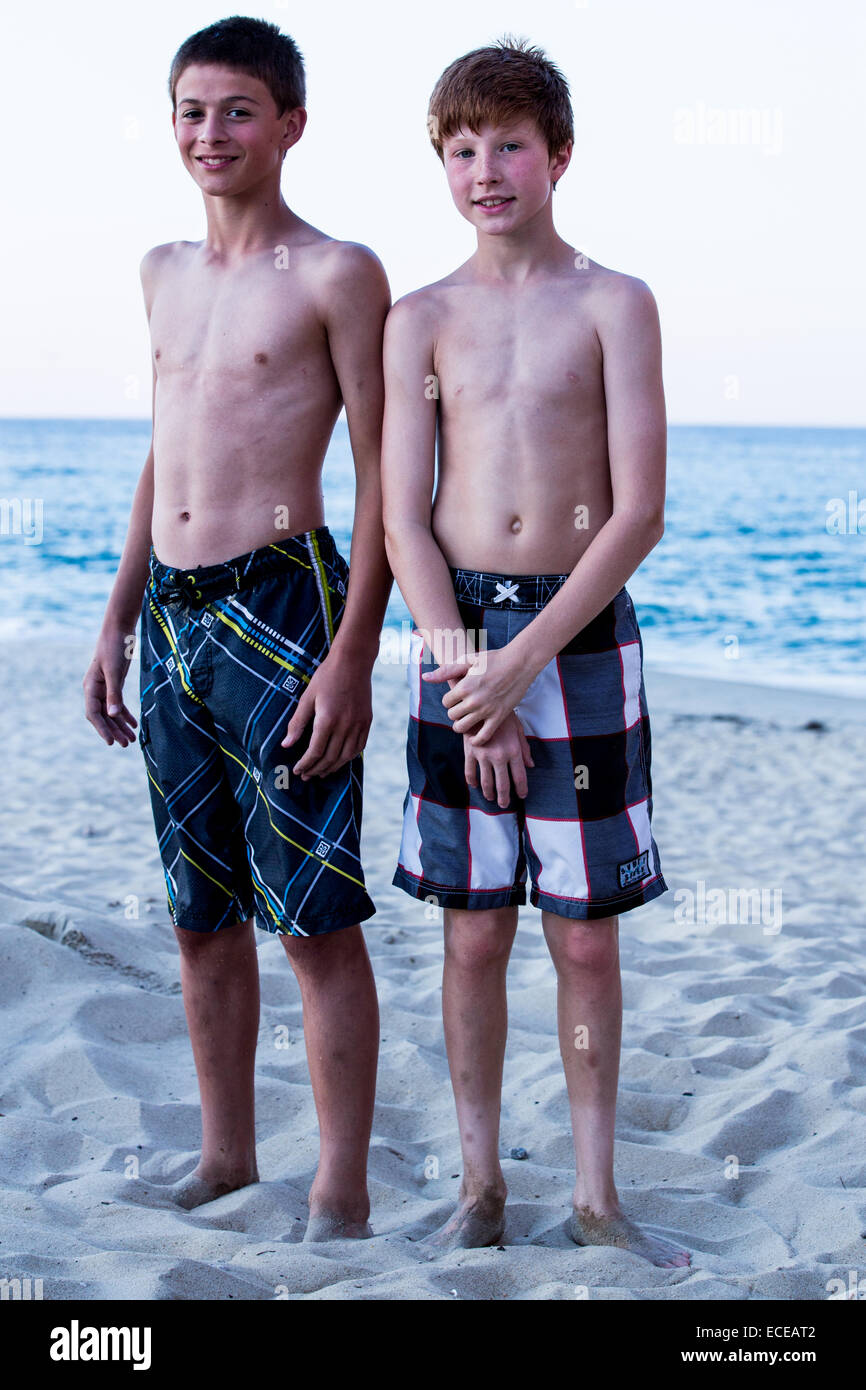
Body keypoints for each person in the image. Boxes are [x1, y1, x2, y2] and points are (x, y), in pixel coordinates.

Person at [83, 16, 392, 1240]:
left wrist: (356, 652)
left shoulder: (335, 271)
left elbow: (379, 473)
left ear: (291, 126)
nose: (211, 134)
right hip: (169, 605)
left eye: (238, 112)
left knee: (313, 916)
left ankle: (341, 1185)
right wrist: (112, 619)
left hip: (281, 601)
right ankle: (224, 1155)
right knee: (198, 910)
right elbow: (165, 448)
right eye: (192, 112)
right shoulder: (161, 269)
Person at [382, 37, 688, 1267]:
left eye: (508, 143)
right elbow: (403, 513)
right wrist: (472, 674)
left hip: (577, 635)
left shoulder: (614, 302)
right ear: (442, 166)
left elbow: (637, 510)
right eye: (461, 148)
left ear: (557, 155)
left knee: (583, 933)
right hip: (457, 636)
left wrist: (526, 668)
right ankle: (476, 1183)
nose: (484, 168)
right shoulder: (420, 316)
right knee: (470, 929)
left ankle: (596, 1193)